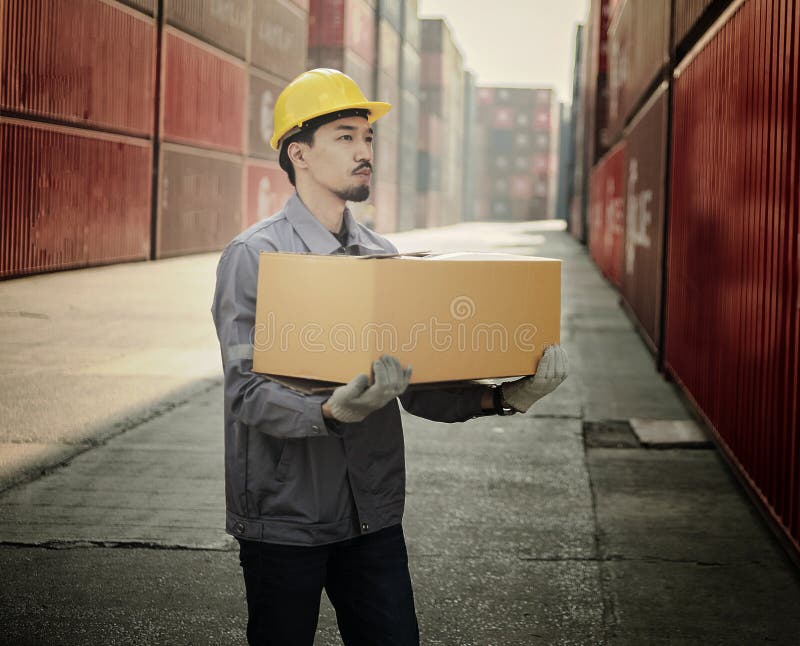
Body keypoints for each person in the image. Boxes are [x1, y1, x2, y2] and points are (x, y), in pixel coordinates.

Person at [210, 68, 569, 646]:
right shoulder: (255, 256)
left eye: (368, 138)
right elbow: (245, 393)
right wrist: (332, 412)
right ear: (298, 153)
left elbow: (418, 385)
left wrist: (506, 396)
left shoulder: (382, 256)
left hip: (370, 515)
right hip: (285, 517)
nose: (365, 151)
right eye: (346, 136)